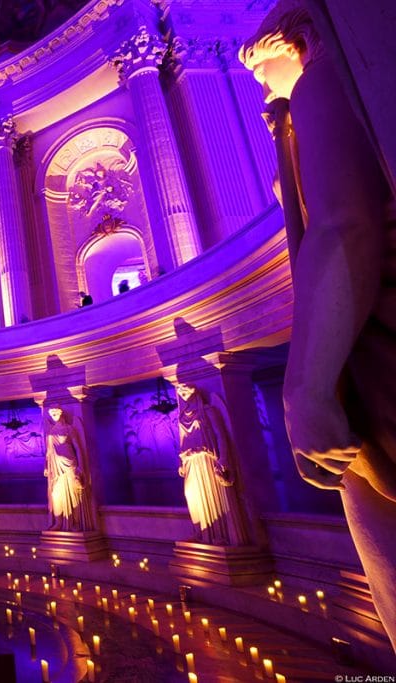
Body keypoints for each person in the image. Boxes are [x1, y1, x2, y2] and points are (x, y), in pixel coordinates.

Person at [242, 0, 396, 648]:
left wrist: (304, 387)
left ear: (297, 37)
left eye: (263, 72)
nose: (264, 90)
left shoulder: (326, 72)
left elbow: (341, 223)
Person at [174, 384, 246, 545]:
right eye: (179, 390)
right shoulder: (181, 418)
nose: (182, 392)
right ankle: (201, 533)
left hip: (207, 459)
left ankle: (219, 535)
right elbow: (182, 441)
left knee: (213, 495)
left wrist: (224, 458)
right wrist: (181, 462)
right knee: (191, 496)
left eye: (185, 388)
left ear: (195, 391)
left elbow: (221, 435)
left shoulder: (208, 411)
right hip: (190, 461)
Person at [43, 407, 90, 531]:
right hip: (55, 467)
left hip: (69, 465)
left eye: (55, 413)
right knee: (56, 495)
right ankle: (58, 523)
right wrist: (46, 466)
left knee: (73, 495)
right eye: (51, 414)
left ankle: (75, 522)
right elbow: (48, 452)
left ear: (60, 412)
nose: (53, 415)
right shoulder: (51, 432)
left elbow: (78, 449)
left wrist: (81, 466)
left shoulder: (69, 429)